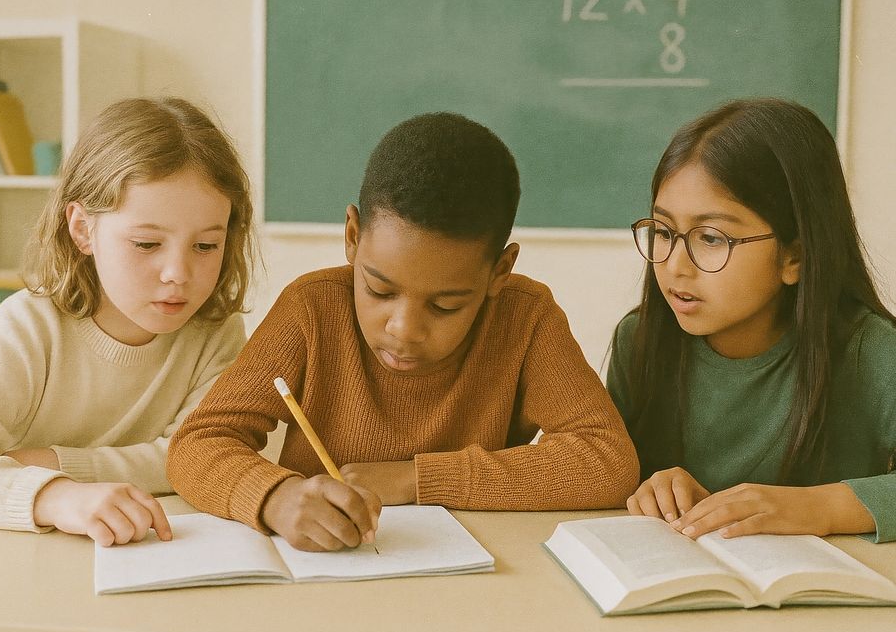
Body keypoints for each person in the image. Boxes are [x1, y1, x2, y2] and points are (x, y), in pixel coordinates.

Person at [168, 111, 639, 551]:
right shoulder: (312, 308)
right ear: (352, 236)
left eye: (446, 305)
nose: (404, 329)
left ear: (500, 270)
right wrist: (275, 496)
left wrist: (417, 479)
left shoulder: (525, 319)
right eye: (379, 289)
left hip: (475, 582)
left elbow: (607, 462)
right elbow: (196, 445)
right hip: (328, 575)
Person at [0, 97, 256, 546]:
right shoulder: (30, 327)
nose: (178, 274)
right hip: (13, 555)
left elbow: (198, 456)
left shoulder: (215, 333)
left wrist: (54, 462)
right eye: (146, 244)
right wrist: (56, 496)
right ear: (83, 229)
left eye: (205, 246)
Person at [609, 97, 896, 542]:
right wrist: (650, 486)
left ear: (794, 256)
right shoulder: (640, 340)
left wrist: (819, 506)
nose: (674, 266)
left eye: (710, 238)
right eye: (663, 232)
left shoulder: (871, 351)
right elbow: (606, 471)